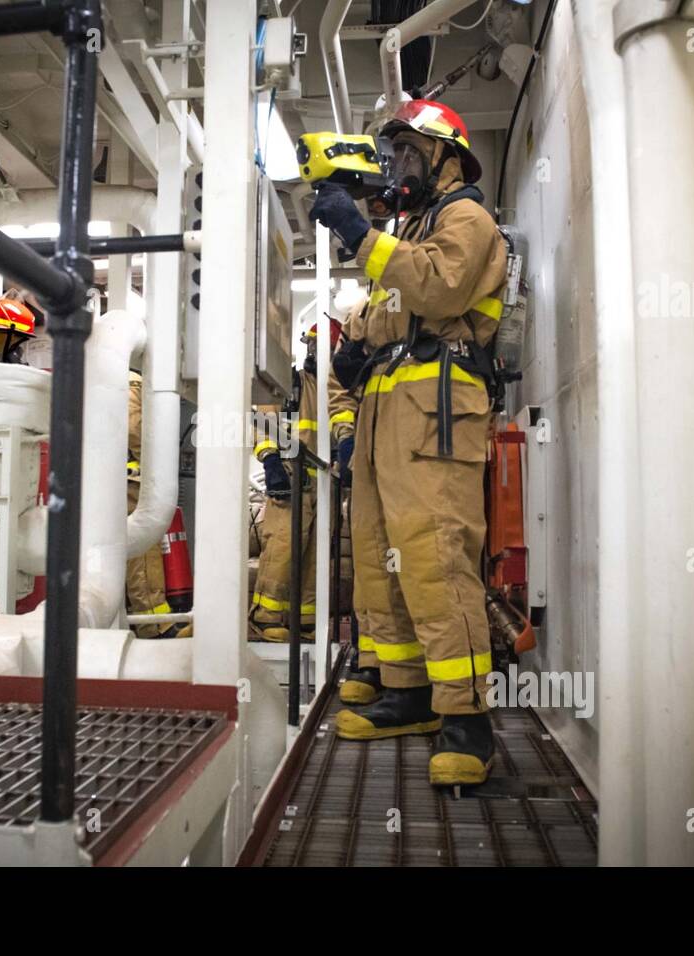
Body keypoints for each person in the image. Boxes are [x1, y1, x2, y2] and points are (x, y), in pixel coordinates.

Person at [311, 99, 509, 787]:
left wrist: (358, 234)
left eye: (406, 154)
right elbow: (384, 310)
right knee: (379, 557)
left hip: (438, 410)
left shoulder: (467, 220)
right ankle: (409, 690)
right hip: (386, 413)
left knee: (433, 557)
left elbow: (439, 286)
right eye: (391, 156)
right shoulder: (416, 229)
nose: (396, 168)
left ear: (446, 155)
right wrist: (350, 346)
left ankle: (468, 719)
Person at [249, 316, 354, 643]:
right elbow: (263, 419)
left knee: (316, 555)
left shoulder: (342, 390)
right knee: (283, 547)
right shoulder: (291, 383)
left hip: (327, 482)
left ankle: (304, 620)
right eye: (309, 343)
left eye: (318, 345)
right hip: (292, 479)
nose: (311, 350)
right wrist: (270, 461)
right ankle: (265, 618)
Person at [125, 371, 188, 638]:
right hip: (132, 482)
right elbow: (134, 430)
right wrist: (157, 464)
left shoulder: (108, 378)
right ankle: (153, 625)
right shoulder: (131, 381)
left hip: (124, 481)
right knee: (143, 555)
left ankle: (149, 620)